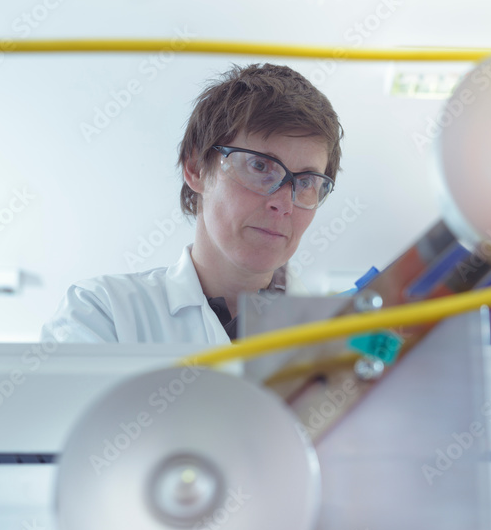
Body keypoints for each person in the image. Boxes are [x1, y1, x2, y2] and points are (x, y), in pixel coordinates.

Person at [40, 63, 343, 343]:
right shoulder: (101, 315)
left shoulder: (341, 333)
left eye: (305, 182)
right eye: (260, 167)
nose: (283, 203)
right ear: (196, 169)